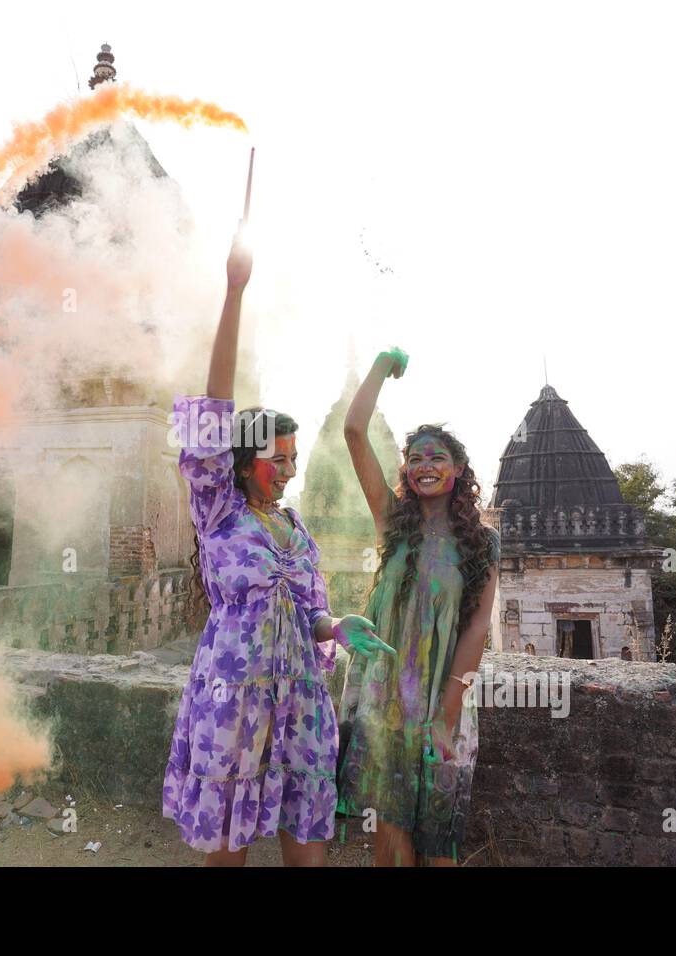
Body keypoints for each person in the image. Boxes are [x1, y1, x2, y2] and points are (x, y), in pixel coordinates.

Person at [161, 234, 389, 866]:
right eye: (275, 458)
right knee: (227, 842)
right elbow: (210, 411)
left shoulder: (298, 530)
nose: (287, 470)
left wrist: (339, 626)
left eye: (293, 459)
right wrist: (234, 293)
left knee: (307, 830)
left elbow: (309, 614)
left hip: (301, 695)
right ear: (240, 461)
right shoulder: (219, 512)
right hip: (234, 693)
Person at [335, 346, 501, 866]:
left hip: (441, 701)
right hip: (386, 697)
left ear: (459, 470)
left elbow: (475, 631)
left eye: (438, 457)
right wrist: (383, 364)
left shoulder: (482, 543)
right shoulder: (392, 522)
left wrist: (445, 718)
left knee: (438, 840)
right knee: (390, 834)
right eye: (415, 458)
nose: (424, 466)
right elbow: (355, 431)